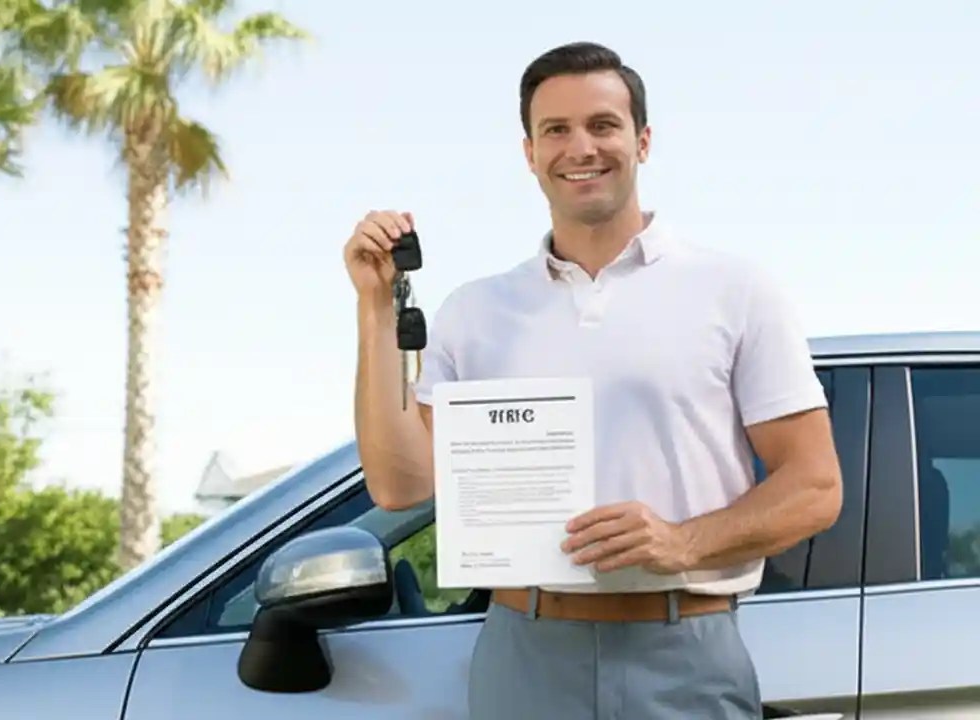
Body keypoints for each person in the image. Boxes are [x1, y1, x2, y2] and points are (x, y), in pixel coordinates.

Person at [343, 41, 844, 719]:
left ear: (642, 141)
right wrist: (375, 306)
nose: (581, 147)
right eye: (556, 129)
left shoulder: (735, 289)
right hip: (523, 652)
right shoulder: (475, 309)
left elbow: (814, 486)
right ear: (529, 153)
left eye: (603, 125)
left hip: (686, 647)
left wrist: (682, 540)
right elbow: (400, 485)